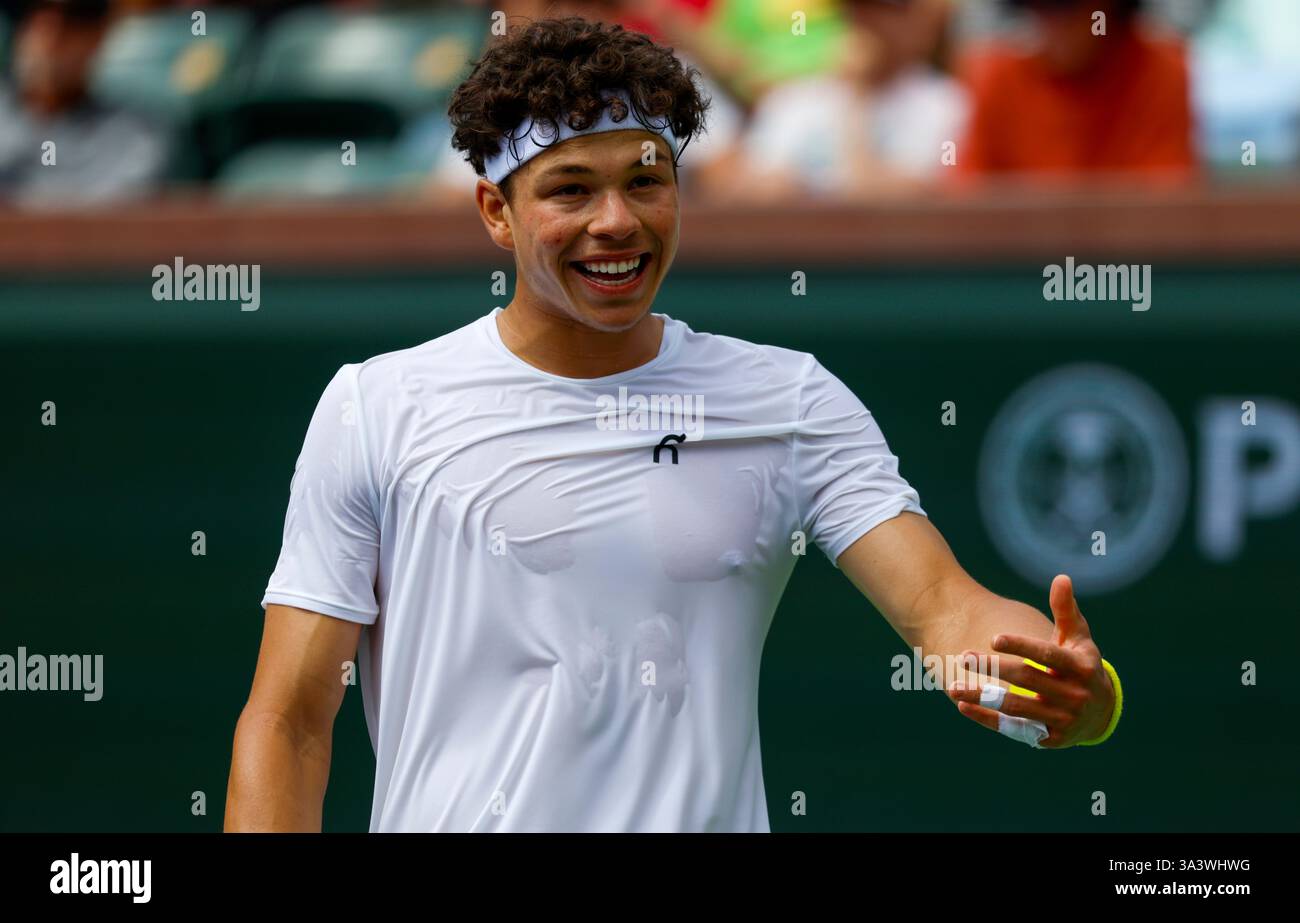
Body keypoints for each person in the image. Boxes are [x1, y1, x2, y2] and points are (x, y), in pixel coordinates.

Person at [225, 16, 1121, 834]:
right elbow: (290, 719)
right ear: (496, 213)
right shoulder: (377, 405)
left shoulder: (791, 400)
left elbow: (943, 612)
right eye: (569, 190)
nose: (616, 222)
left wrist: (1079, 696)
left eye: (645, 181)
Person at [955, 0, 1195, 180]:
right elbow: (966, 199)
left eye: (1068, 7)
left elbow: (1166, 203)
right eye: (1042, 7)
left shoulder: (1158, 70)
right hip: (1018, 246)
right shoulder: (997, 76)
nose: (1055, 23)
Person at [0, 0, 170, 207]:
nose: (52, 38)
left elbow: (110, 218)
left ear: (100, 34)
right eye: (35, 19)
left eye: (75, 20)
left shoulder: (137, 134)